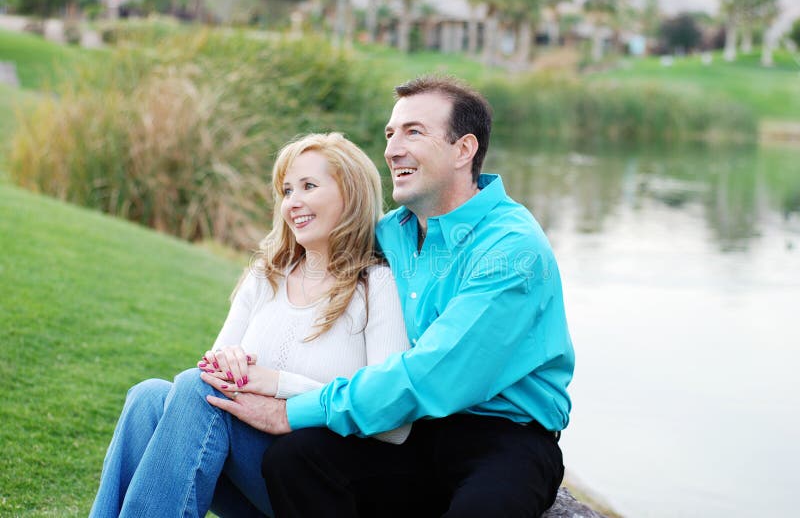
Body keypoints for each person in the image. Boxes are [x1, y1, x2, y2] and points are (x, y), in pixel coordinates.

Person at [206, 75, 576, 517]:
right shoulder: (389, 233)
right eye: (390, 133)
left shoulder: (511, 249)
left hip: (503, 437)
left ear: (464, 150)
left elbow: (435, 373)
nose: (392, 148)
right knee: (296, 460)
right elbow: (319, 260)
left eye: (413, 132)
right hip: (413, 432)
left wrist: (292, 408)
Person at [89, 132, 411, 518]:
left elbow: (394, 425)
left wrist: (278, 385)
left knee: (192, 388)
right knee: (148, 397)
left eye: (309, 186)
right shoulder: (266, 275)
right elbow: (211, 374)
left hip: (314, 487)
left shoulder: (377, 286)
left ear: (352, 195)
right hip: (246, 467)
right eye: (287, 190)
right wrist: (228, 363)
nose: (294, 203)